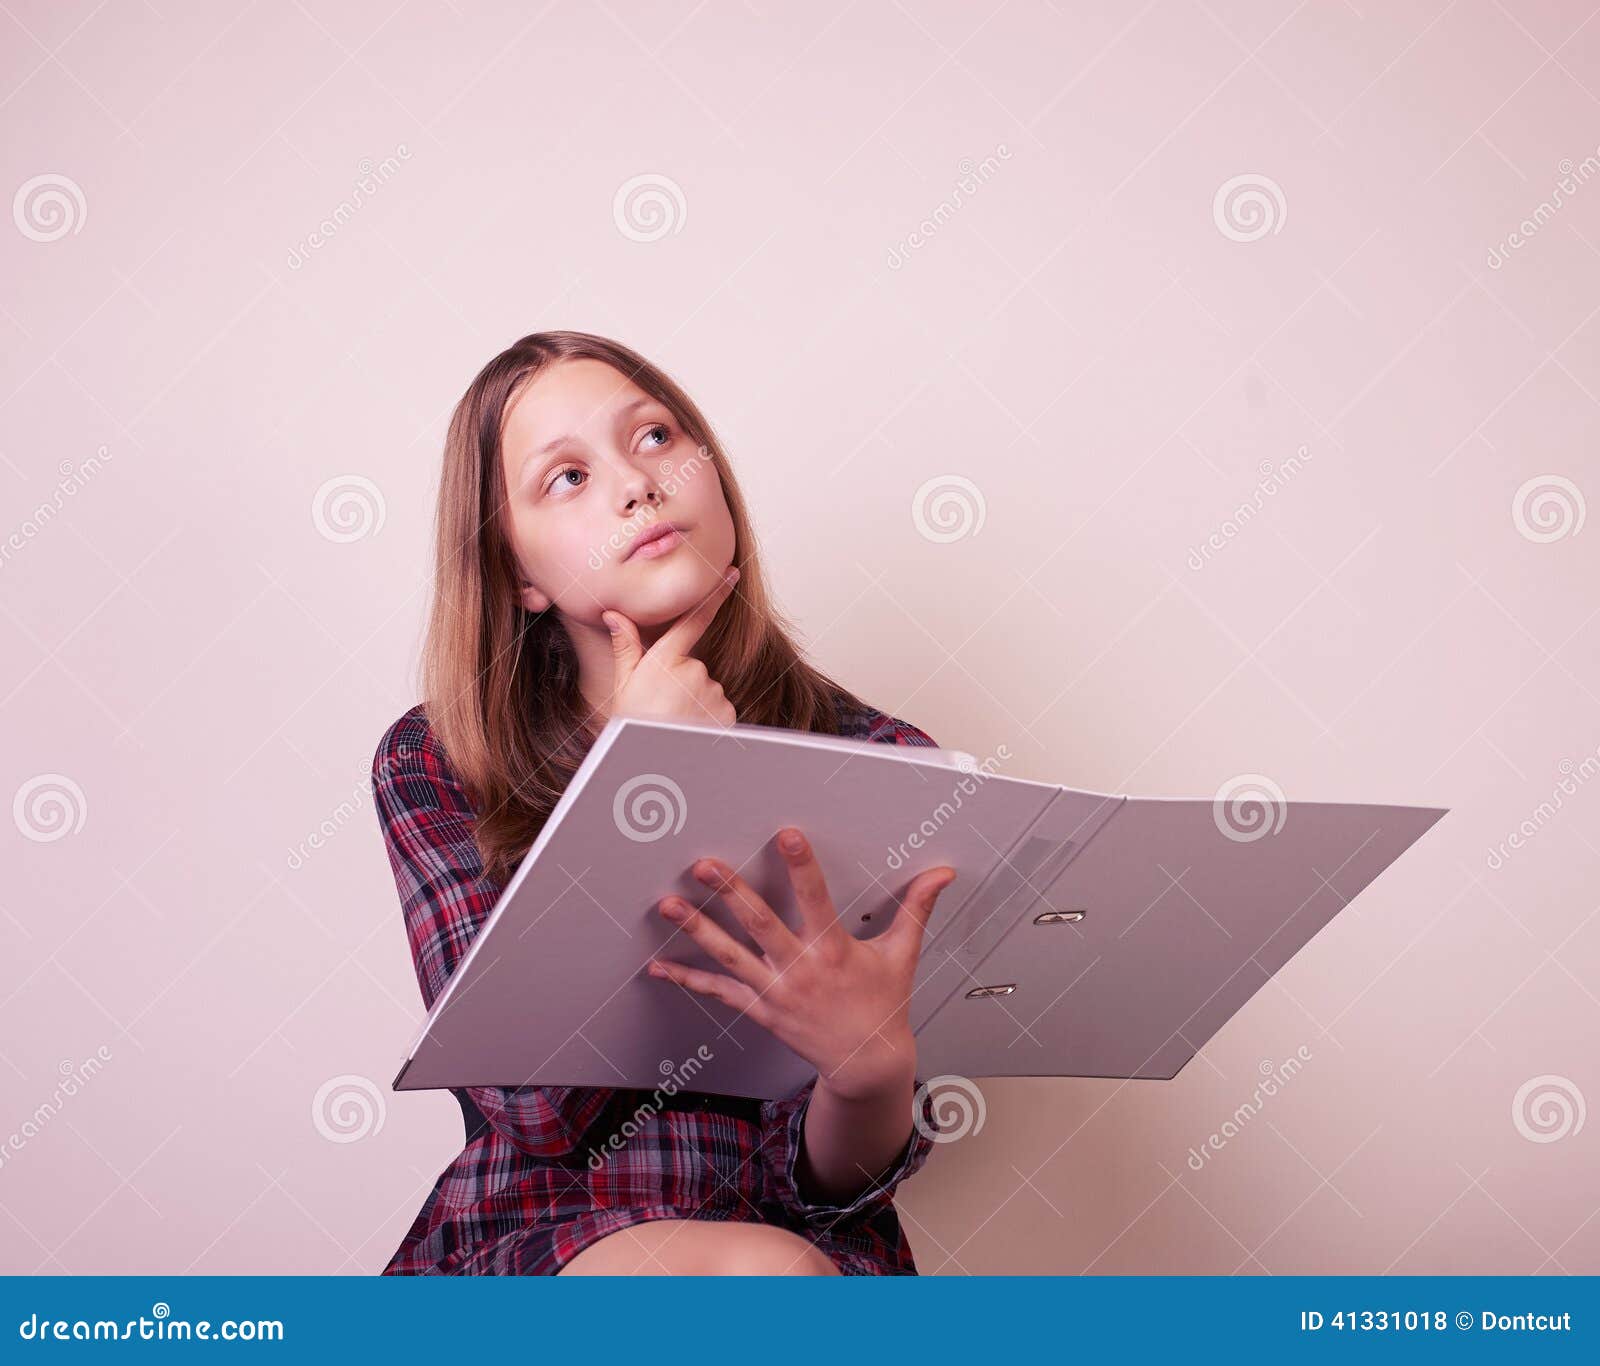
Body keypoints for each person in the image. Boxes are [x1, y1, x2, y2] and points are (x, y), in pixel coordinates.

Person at [373, 330, 957, 1275]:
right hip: (546, 1239)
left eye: (654, 437)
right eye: (567, 477)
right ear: (519, 574)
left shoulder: (887, 763)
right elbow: (532, 1105)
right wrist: (643, 777)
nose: (638, 485)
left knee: (778, 1270)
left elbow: (831, 1187)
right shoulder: (438, 760)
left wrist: (870, 1072)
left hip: (807, 1259)